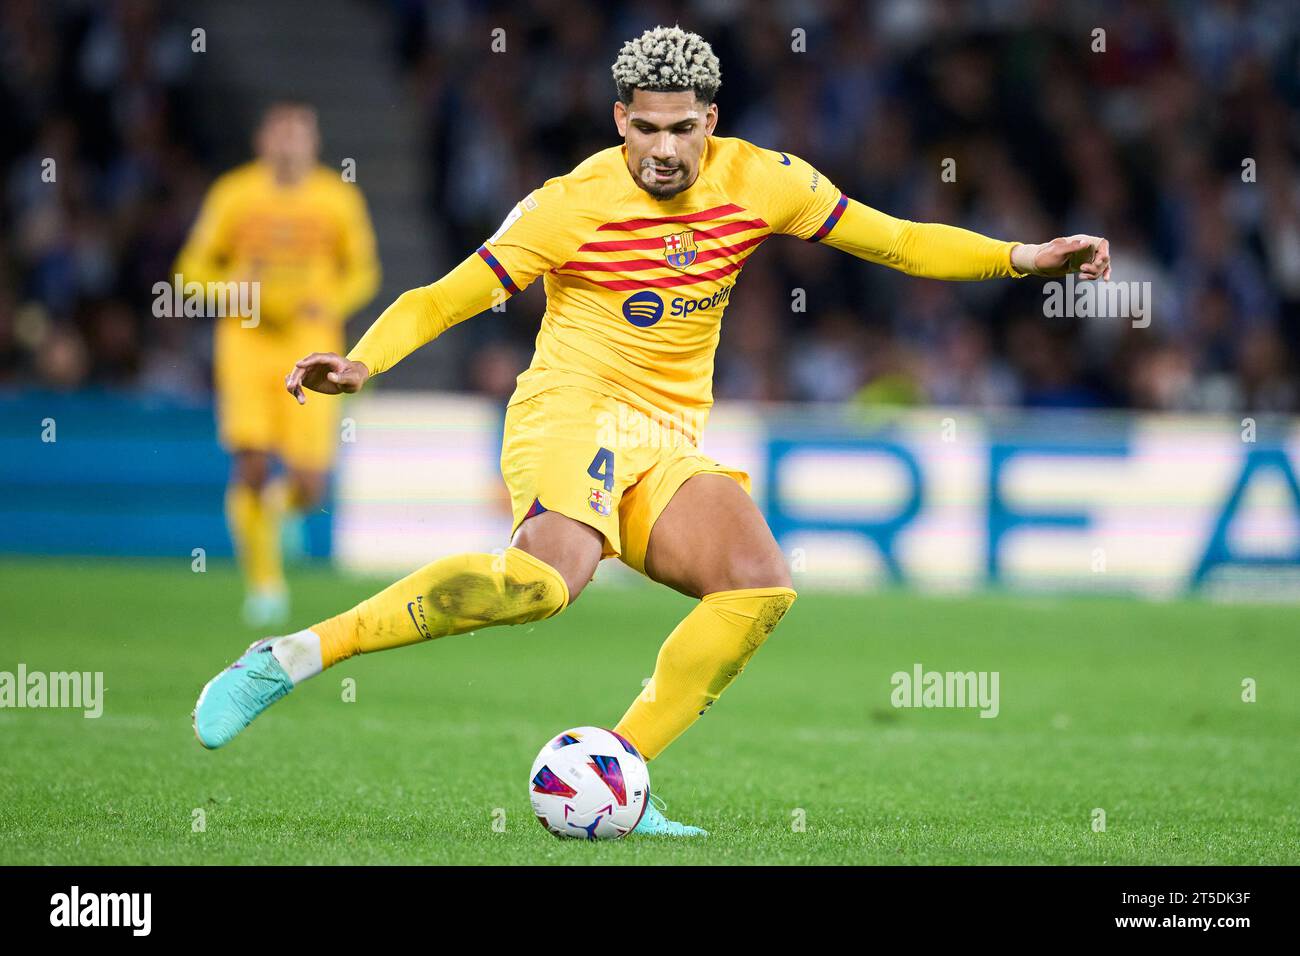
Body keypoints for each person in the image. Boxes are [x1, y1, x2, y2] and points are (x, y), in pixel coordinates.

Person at [193, 28, 1109, 837]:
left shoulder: (765, 180)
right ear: (619, 117)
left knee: (757, 585)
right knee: (545, 586)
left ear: (712, 117)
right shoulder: (569, 203)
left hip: (667, 433)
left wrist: (1020, 256)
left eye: (683, 128)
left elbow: (901, 240)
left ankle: (618, 777)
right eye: (645, 127)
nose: (664, 149)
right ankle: (293, 655)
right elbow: (444, 295)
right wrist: (366, 361)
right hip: (570, 408)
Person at [176, 102, 380, 626]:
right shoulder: (234, 194)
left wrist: (330, 301)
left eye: (299, 134)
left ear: (313, 143)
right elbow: (190, 272)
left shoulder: (338, 198)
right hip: (246, 344)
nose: (289, 143)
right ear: (262, 141)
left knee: (311, 483)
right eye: (280, 133)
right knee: (251, 461)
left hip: (312, 345)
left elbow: (364, 273)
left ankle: (275, 512)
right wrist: (235, 292)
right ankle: (265, 586)